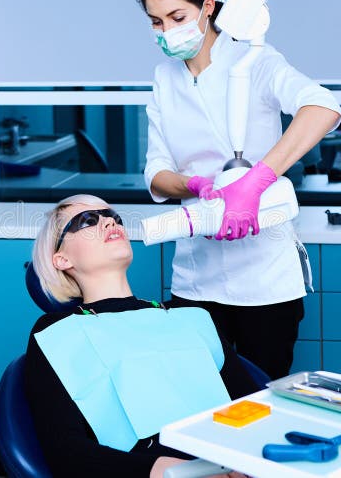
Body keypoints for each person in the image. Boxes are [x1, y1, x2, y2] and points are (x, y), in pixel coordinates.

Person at [139, 0, 341, 380]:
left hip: (265, 279)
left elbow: (322, 108)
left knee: (260, 399)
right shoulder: (164, 78)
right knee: (197, 398)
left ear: (208, 6)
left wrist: (255, 181)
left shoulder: (255, 62)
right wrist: (195, 184)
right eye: (156, 22)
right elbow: (156, 172)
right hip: (195, 277)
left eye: (177, 17)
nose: (167, 31)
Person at [24, 194, 256, 478]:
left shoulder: (191, 317)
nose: (109, 221)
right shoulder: (55, 333)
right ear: (61, 259)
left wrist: (244, 462)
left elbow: (254, 407)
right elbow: (67, 453)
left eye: (113, 216)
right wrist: (179, 472)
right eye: (87, 220)